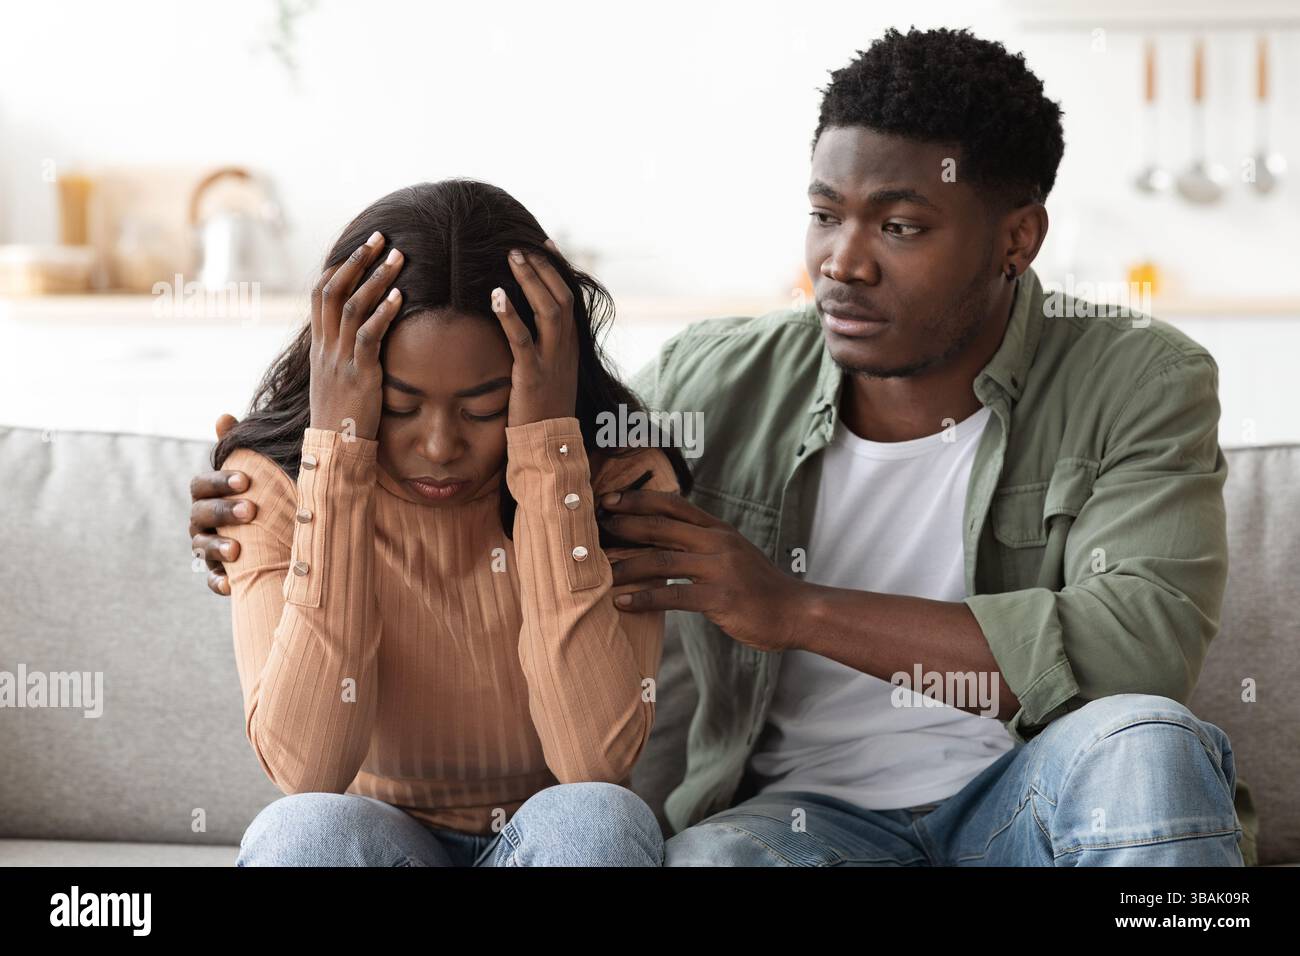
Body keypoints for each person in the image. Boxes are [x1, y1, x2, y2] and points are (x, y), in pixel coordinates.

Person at [194, 28, 1254, 867]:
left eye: (899, 226)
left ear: (1016, 239)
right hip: (794, 819)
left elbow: (1137, 648)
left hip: (1031, 789)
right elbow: (526, 449)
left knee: (1148, 742)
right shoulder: (714, 379)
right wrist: (280, 483)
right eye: (823, 214)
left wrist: (794, 608)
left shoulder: (1136, 379)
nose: (841, 264)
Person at [194, 179, 686, 866]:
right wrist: (337, 467)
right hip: (381, 840)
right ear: (341, 378)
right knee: (301, 834)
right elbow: (305, 774)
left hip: (546, 838)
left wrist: (547, 456)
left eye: (484, 408)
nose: (439, 447)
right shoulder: (268, 483)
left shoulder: (616, 478)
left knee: (599, 820)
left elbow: (593, 761)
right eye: (398, 406)